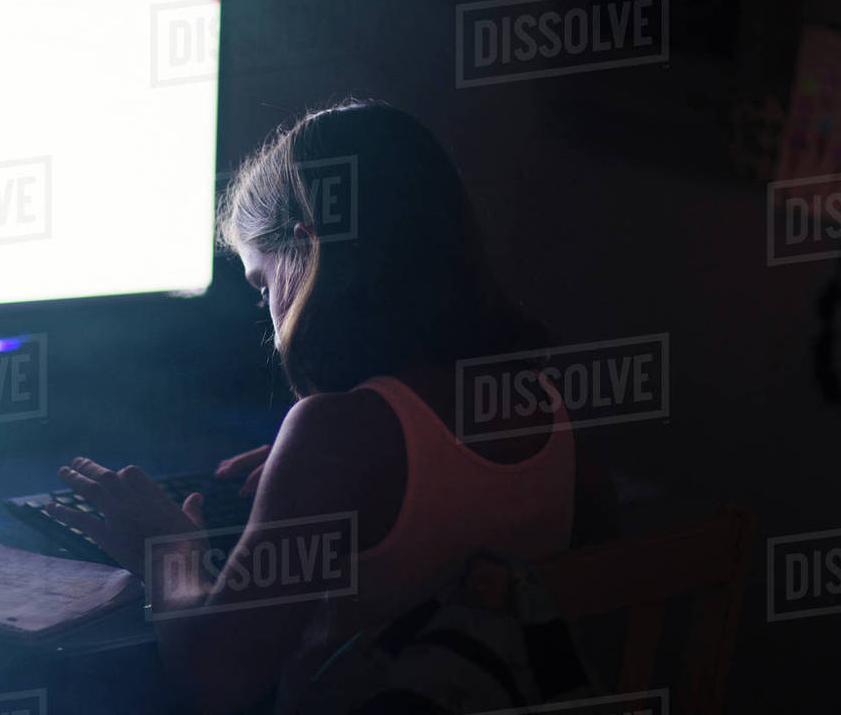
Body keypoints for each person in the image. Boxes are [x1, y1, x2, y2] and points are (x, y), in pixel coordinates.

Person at [46, 99, 617, 713]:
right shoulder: (555, 414)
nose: (267, 312)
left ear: (308, 249)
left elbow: (216, 678)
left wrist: (173, 553)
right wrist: (315, 477)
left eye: (262, 283)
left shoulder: (334, 437)